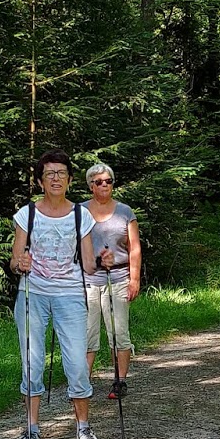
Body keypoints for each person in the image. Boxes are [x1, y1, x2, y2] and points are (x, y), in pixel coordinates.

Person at [10, 149, 102, 439]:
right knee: (31, 363)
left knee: (76, 363)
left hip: (70, 294)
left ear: (70, 179)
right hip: (32, 293)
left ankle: (84, 429)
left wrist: (106, 261)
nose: (55, 178)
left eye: (61, 173)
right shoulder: (28, 214)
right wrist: (19, 263)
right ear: (39, 181)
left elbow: (89, 264)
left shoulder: (81, 214)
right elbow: (15, 260)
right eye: (49, 174)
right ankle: (31, 430)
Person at [82, 162, 141, 399]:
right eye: (99, 182)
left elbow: (134, 247)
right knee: (87, 332)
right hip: (88, 278)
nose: (104, 185)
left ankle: (120, 380)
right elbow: (74, 245)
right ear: (91, 186)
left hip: (118, 277)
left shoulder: (125, 212)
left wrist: (134, 279)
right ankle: (82, 382)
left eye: (108, 181)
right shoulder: (80, 212)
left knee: (119, 331)